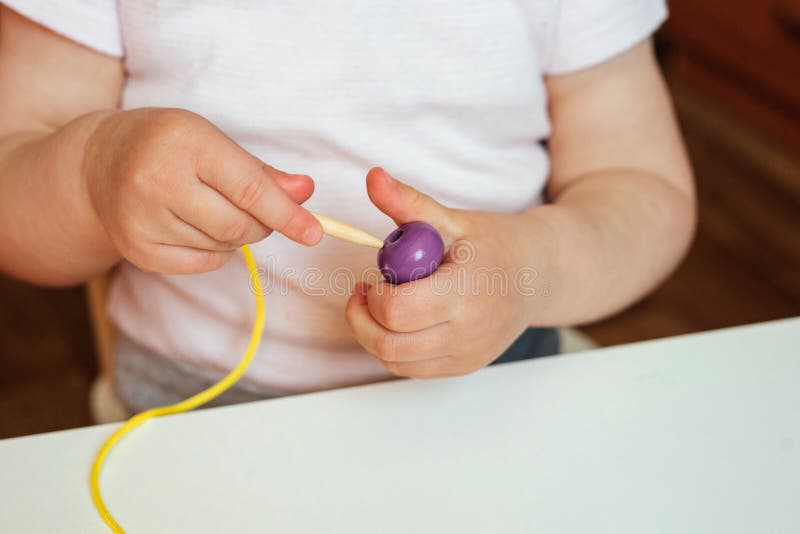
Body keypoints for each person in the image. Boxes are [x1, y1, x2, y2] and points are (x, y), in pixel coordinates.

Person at [0, 1, 695, 412]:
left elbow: (643, 188)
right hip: (197, 407)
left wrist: (533, 269)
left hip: (499, 388)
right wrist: (95, 172)